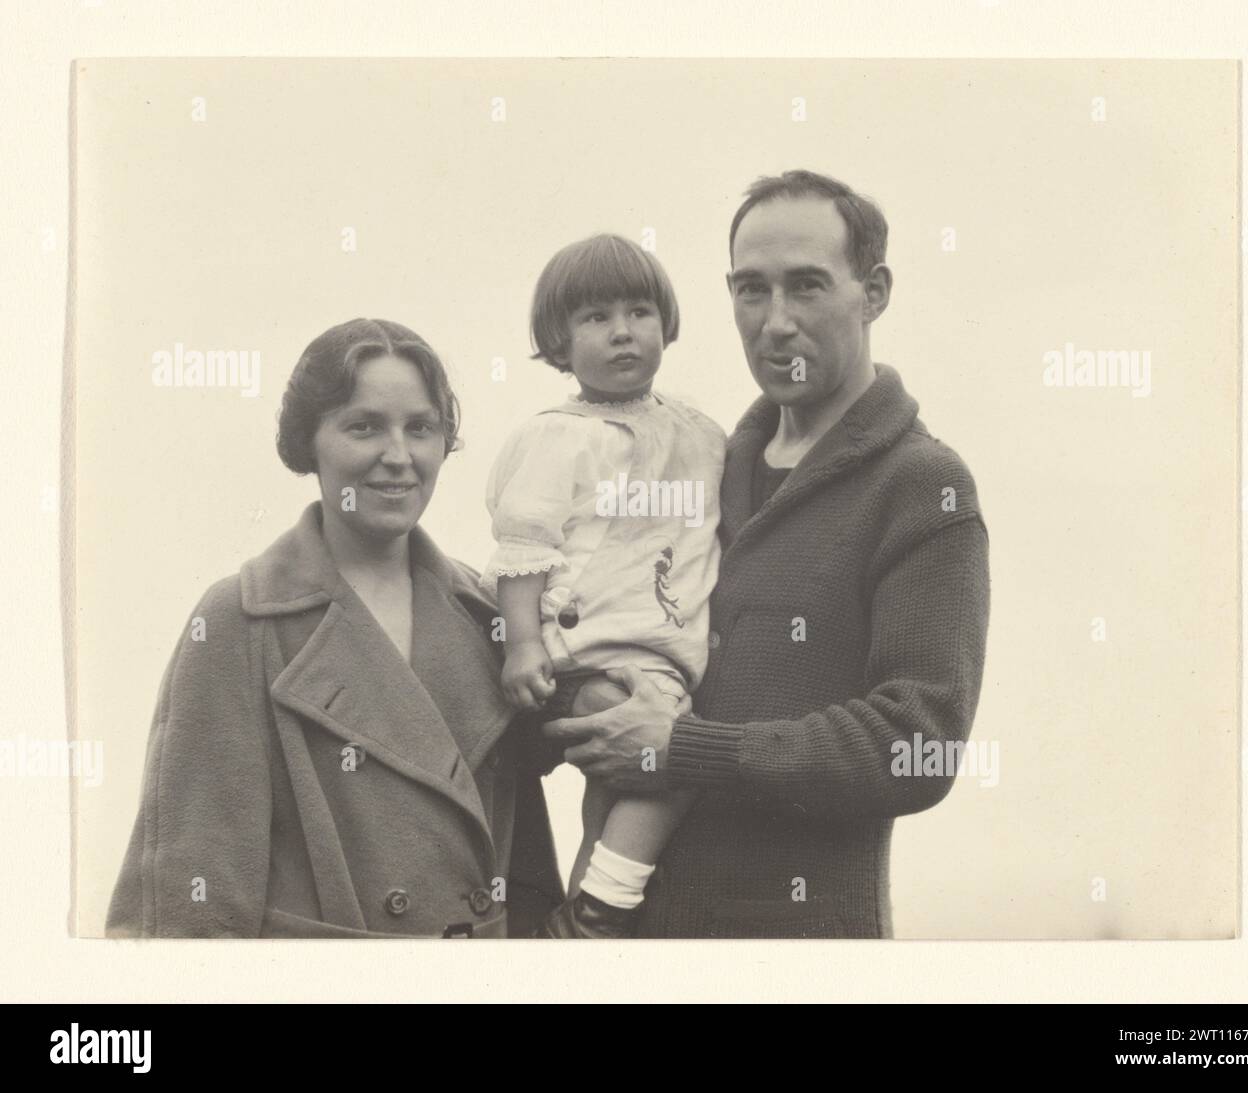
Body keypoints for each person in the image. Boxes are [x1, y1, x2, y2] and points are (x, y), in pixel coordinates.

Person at [543, 171, 992, 938]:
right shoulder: (704, 464)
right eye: (751, 290)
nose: (775, 322)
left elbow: (919, 742)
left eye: (807, 286)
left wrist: (686, 749)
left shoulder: (924, 486)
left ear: (875, 292)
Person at [106, 318, 564, 938]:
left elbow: (529, 877)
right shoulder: (240, 622)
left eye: (421, 428)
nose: (398, 457)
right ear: (309, 442)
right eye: (364, 426)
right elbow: (191, 907)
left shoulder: (489, 614)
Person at [481, 235, 725, 938]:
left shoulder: (701, 434)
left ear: (666, 323)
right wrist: (522, 642)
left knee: (616, 792)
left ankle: (578, 938)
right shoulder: (559, 438)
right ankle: (600, 911)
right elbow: (524, 546)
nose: (622, 331)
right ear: (559, 340)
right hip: (588, 647)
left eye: (639, 311)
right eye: (595, 317)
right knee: (676, 763)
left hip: (663, 654)